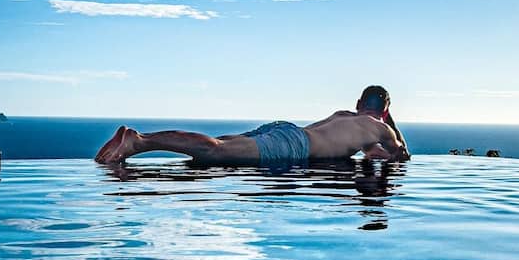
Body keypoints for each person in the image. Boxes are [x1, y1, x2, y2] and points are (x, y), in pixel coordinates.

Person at [95, 85, 410, 167]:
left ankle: (138, 141)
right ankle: (140, 141)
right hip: (294, 146)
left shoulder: (345, 115)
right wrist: (389, 119)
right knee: (215, 152)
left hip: (285, 130)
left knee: (216, 147)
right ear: (384, 112)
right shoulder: (379, 128)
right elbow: (399, 155)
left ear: (358, 103)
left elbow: (371, 153)